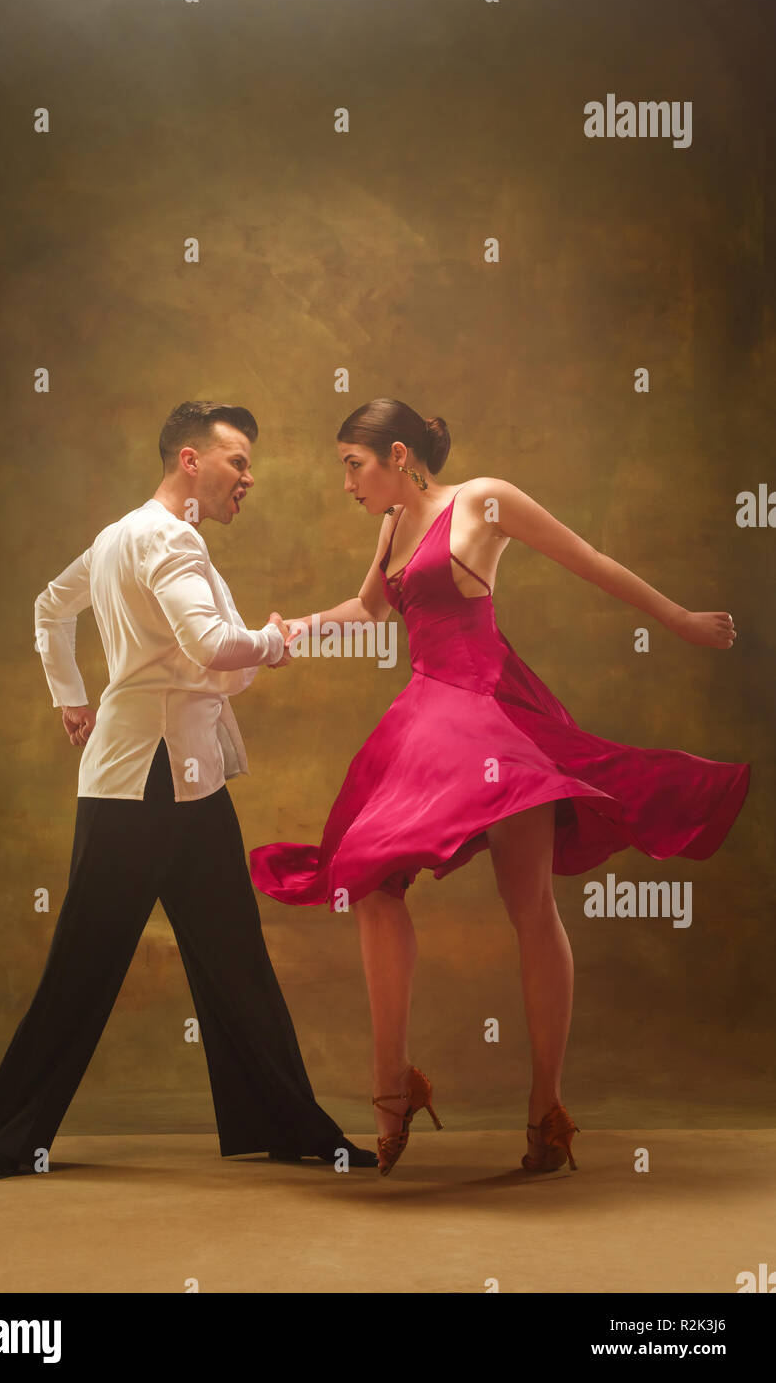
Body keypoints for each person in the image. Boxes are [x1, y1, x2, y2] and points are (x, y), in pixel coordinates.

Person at [249, 397, 751, 1177]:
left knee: (530, 905)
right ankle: (393, 1085)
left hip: (494, 715)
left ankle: (546, 1110)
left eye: (354, 465)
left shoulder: (484, 500)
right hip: (425, 720)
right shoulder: (390, 527)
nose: (347, 484)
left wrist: (678, 618)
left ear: (400, 456)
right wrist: (299, 629)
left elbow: (591, 562)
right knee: (369, 878)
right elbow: (367, 608)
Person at [0, 400, 377, 1178]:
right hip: (144, 779)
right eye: (237, 463)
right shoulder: (174, 539)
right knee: (88, 959)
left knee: (233, 957)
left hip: (179, 776)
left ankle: (292, 1126)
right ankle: (15, 1138)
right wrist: (279, 640)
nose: (248, 479)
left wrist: (70, 694)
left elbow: (50, 606)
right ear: (190, 462)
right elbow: (216, 646)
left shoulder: (118, 535)